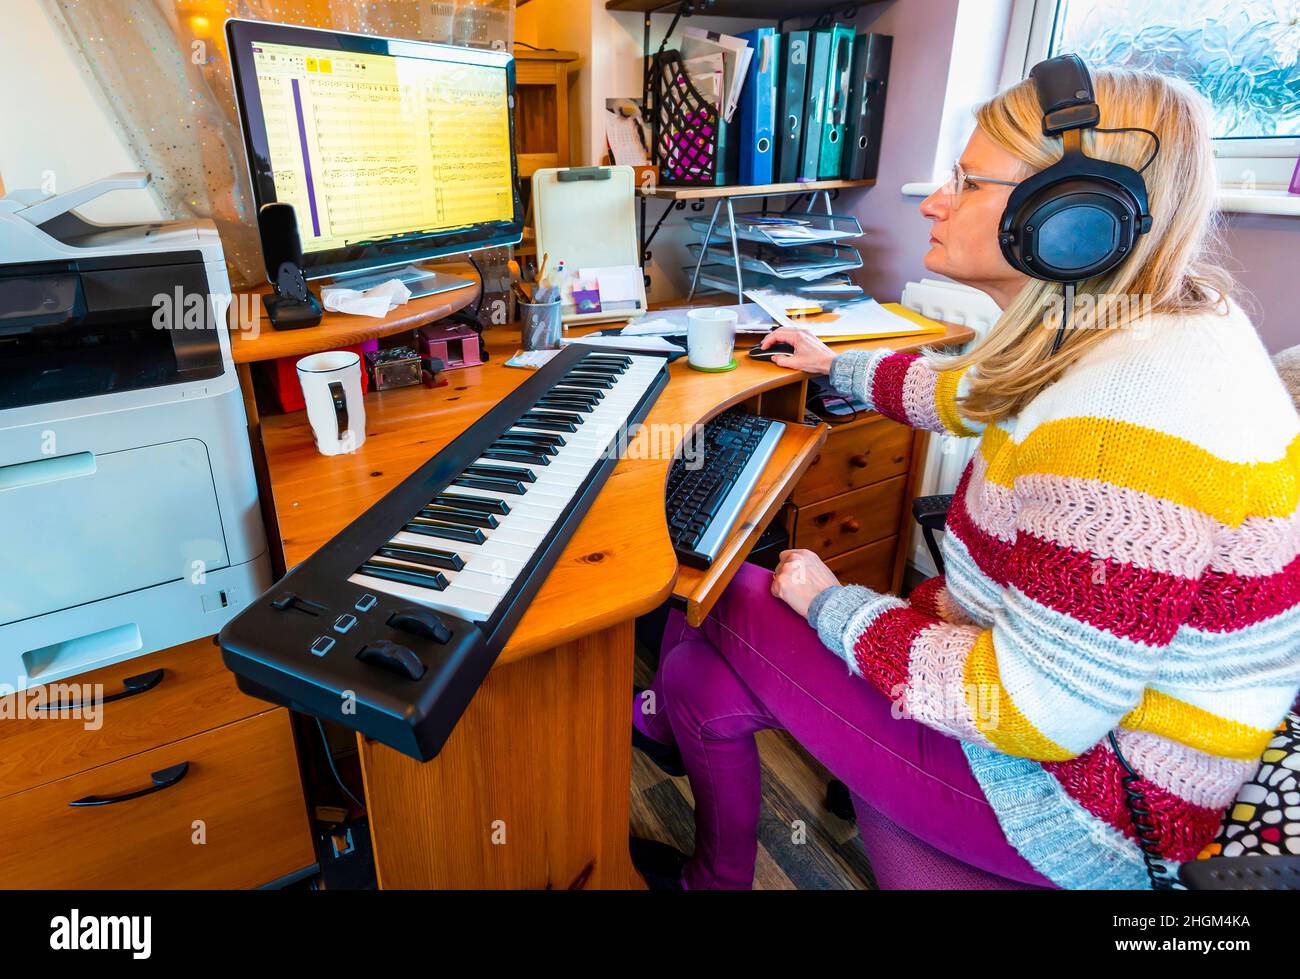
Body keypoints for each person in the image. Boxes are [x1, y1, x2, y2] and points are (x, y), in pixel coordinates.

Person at [630, 63, 1300, 890]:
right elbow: (967, 392)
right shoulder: (1127, 317)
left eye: (966, 181)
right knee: (698, 669)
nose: (932, 202)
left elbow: (1032, 711)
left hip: (1089, 803)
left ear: (1075, 219)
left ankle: (664, 742)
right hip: (1079, 737)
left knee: (724, 591)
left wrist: (831, 602)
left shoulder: (1122, 425)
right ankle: (699, 832)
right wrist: (833, 366)